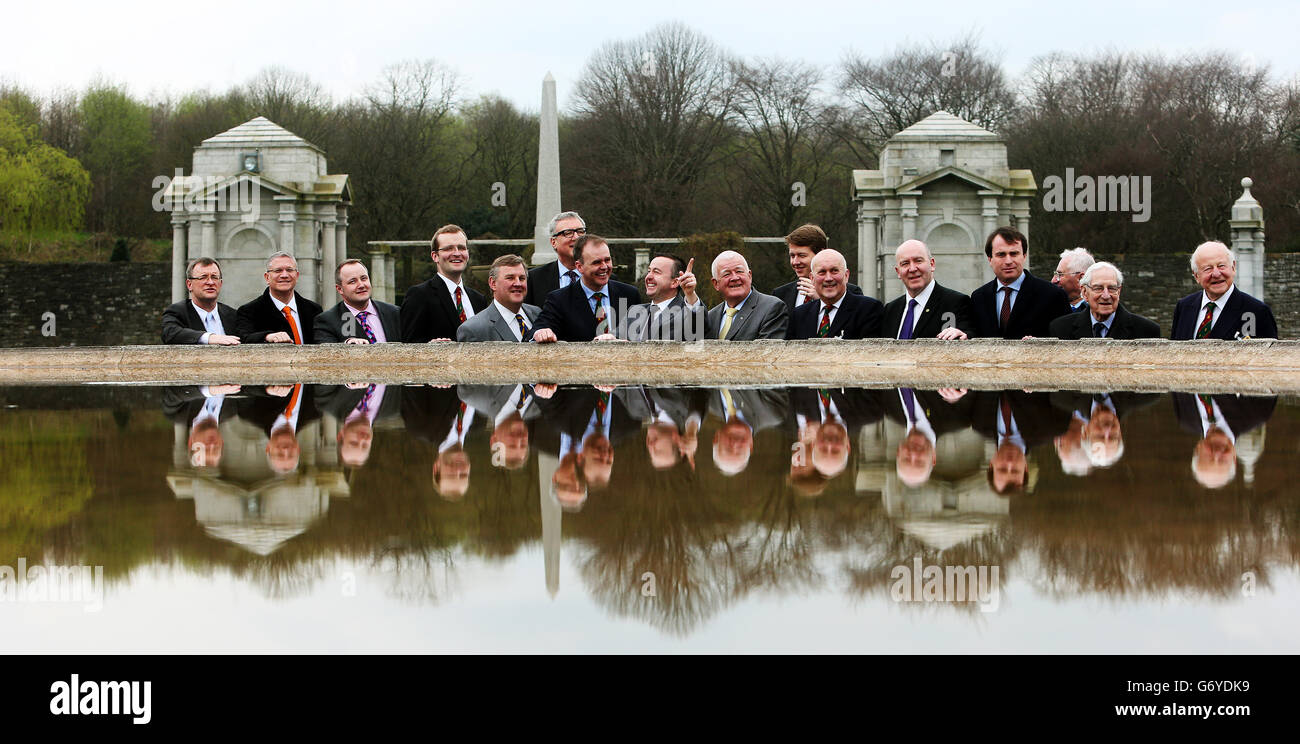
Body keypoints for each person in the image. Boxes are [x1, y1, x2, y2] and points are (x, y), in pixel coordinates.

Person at [532, 234, 641, 343]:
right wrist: (541, 332)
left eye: (607, 260)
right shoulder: (559, 300)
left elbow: (640, 336)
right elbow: (538, 330)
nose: (604, 267)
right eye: (597, 262)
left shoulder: (629, 294)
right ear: (579, 267)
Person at [970, 227, 1071, 339]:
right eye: (1001, 255)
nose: (1008, 261)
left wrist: (1042, 346)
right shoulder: (978, 298)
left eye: (1014, 254)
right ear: (990, 259)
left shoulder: (1053, 295)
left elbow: (1067, 341)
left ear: (1024, 256)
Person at [1170, 241, 1277, 340]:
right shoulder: (1184, 307)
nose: (1216, 274)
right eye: (1208, 269)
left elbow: (1268, 358)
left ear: (1233, 267)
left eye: (1221, 266)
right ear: (1197, 276)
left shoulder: (1256, 312)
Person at [400, 224, 489, 343]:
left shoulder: (478, 299)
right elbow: (407, 346)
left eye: (461, 248)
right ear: (435, 256)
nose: (457, 253)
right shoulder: (419, 295)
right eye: (449, 248)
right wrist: (429, 348)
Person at [879, 240, 974, 340]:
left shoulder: (956, 303)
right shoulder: (890, 310)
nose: (912, 269)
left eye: (918, 261)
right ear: (898, 272)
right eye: (905, 263)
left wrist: (964, 336)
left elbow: (971, 339)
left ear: (932, 264)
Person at [786, 249, 883, 339]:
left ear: (846, 275)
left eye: (834, 271)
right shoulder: (799, 315)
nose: (828, 278)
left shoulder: (868, 309)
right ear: (812, 278)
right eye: (822, 272)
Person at [1048, 262, 1161, 339]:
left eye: (1112, 288)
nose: (1106, 295)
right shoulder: (1060, 329)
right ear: (1084, 292)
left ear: (1119, 291)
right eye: (1098, 288)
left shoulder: (1147, 331)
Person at [771, 224, 863, 312]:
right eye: (792, 256)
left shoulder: (852, 292)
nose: (795, 262)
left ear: (820, 253)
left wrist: (823, 300)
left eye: (801, 255)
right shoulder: (780, 294)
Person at [235, 252, 322, 344]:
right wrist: (267, 337)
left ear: (297, 276)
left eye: (289, 270)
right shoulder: (248, 311)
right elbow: (244, 338)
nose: (284, 275)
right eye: (278, 271)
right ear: (267, 277)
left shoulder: (314, 310)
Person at [314, 259, 401, 343]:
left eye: (364, 278)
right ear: (339, 289)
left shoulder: (395, 313)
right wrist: (348, 345)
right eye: (352, 281)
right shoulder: (327, 321)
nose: (361, 285)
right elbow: (327, 352)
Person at [456, 254, 540, 342]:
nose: (518, 283)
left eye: (522, 278)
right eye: (510, 278)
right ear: (493, 283)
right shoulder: (473, 329)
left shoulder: (537, 314)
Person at [706, 251, 787, 340]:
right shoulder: (710, 317)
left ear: (750, 276)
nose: (735, 278)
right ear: (716, 284)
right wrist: (690, 297)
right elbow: (694, 348)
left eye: (739, 271)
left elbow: (767, 352)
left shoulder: (771, 308)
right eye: (727, 274)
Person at [162, 257, 241, 345]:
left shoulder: (233, 315)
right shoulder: (177, 312)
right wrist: (209, 338)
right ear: (189, 284)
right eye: (203, 277)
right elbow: (170, 333)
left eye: (214, 277)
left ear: (221, 283)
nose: (210, 282)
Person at [627, 253, 704, 341]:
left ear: (675, 282)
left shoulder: (686, 314)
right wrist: (609, 337)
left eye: (656, 272)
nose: (648, 277)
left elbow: (700, 325)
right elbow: (616, 338)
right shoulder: (634, 312)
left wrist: (690, 294)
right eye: (649, 271)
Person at [525, 211, 586, 308]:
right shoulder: (534, 279)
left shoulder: (603, 276)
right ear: (554, 242)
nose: (576, 237)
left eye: (580, 231)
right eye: (568, 233)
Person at [1052, 247, 1095, 312]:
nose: (1053, 280)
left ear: (1081, 278)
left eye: (1060, 274)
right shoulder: (1049, 308)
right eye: (1055, 274)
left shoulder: (1096, 313)